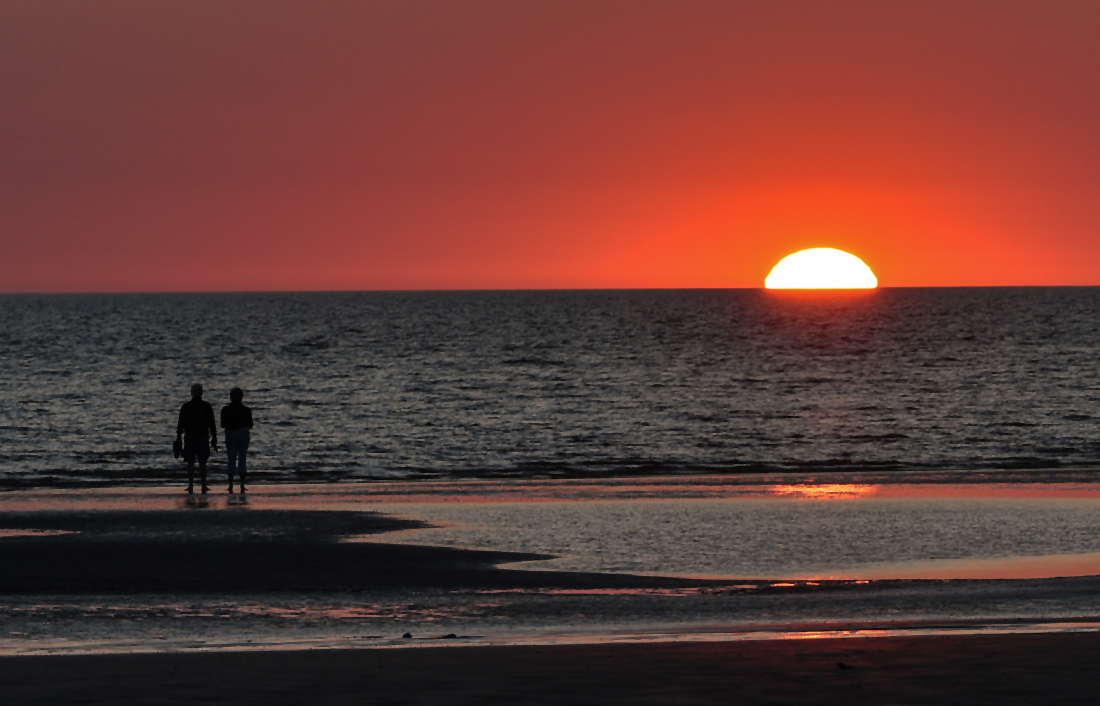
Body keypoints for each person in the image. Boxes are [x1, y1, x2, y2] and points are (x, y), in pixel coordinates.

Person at [176, 383, 218, 494]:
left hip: (190, 436)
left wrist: (178, 437)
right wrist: (214, 437)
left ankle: (190, 485)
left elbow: (180, 424)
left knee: (190, 462)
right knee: (203, 462)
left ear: (191, 392)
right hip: (203, 436)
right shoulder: (206, 406)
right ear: (201, 392)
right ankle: (203, 485)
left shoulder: (186, 406)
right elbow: (212, 423)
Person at [221, 387, 254, 493]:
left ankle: (230, 484)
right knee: (242, 458)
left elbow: (222, 424)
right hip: (243, 432)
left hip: (230, 433)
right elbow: (251, 425)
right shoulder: (246, 410)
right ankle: (242, 485)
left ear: (231, 397)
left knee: (231, 458)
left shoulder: (226, 410)